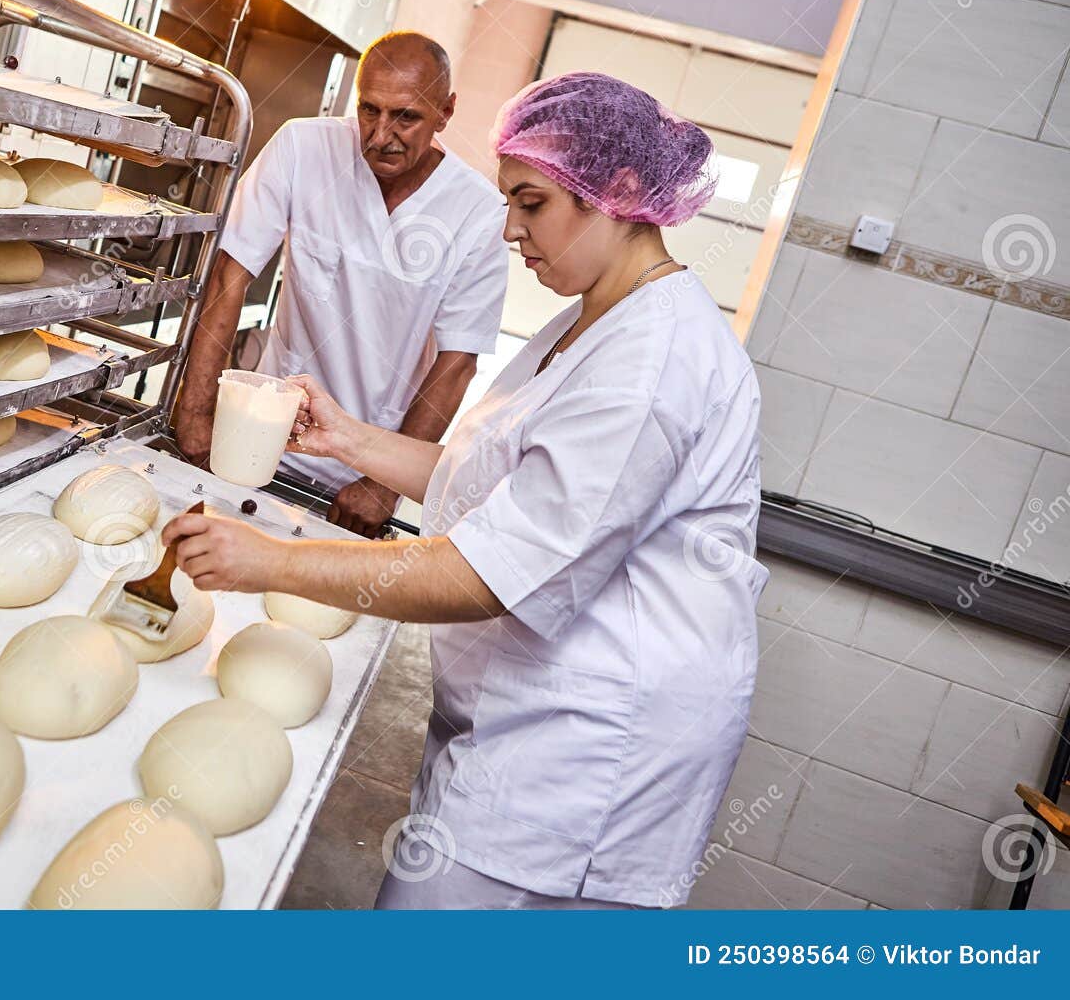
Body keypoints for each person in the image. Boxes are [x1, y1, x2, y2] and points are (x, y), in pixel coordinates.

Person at [162, 72, 766, 909]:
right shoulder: (596, 313)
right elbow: (497, 482)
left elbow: (489, 572)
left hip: (583, 757)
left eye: (532, 203)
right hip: (528, 710)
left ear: (620, 195)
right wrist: (352, 439)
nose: (509, 226)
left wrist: (272, 562)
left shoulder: (651, 362)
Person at [173, 31, 508, 536]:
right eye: (369, 110)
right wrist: (196, 411)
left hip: (368, 467)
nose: (378, 135)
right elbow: (228, 276)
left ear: (446, 112)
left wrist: (382, 483)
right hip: (262, 435)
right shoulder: (302, 147)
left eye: (406, 117)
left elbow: (457, 363)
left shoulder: (477, 213)